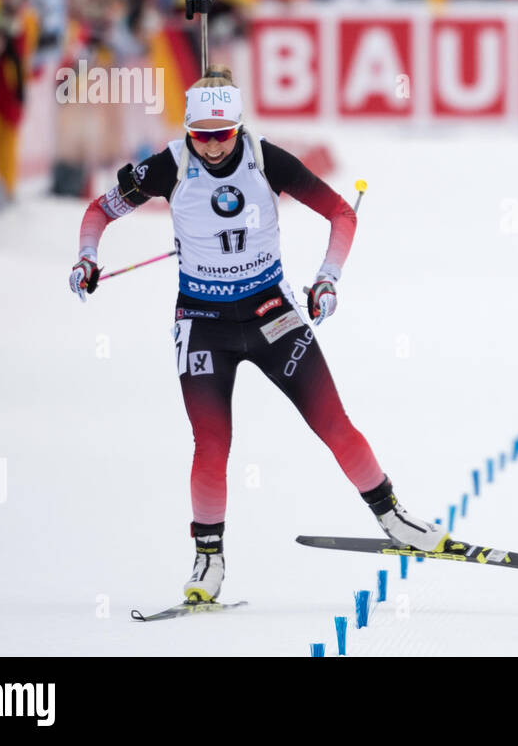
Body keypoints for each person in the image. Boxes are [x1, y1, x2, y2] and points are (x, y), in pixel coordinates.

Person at [68, 65, 446, 603]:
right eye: (202, 136)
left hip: (272, 313)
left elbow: (341, 213)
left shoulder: (265, 158)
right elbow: (97, 213)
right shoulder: (167, 166)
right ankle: (207, 561)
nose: (215, 148)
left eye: (224, 135)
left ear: (239, 126)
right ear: (187, 131)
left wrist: (327, 280)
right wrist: (87, 259)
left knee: (333, 422)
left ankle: (394, 518)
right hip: (203, 324)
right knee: (212, 445)